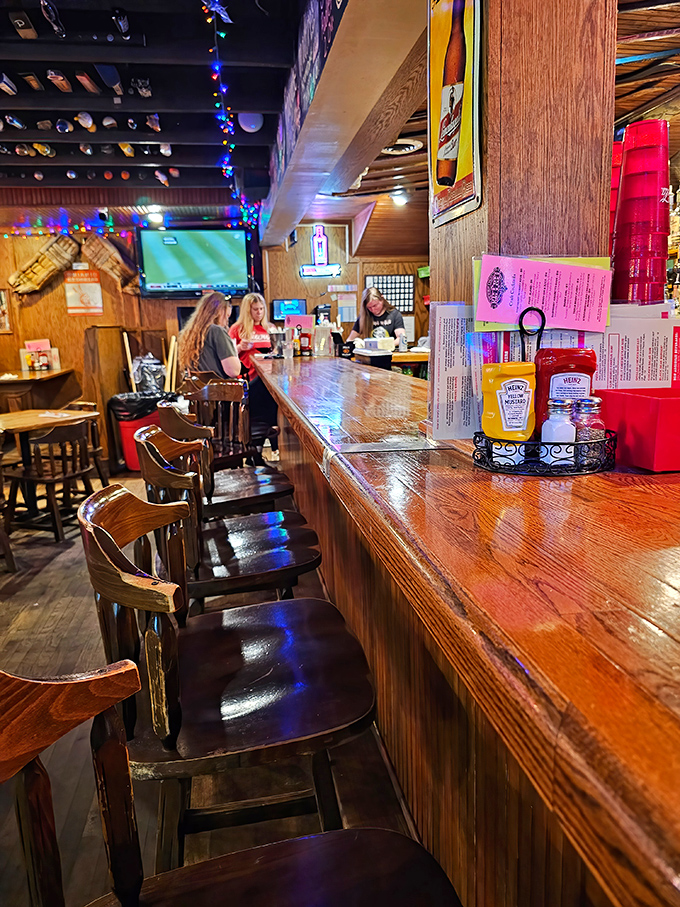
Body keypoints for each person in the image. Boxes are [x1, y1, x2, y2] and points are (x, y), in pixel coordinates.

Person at [229, 292, 280, 459]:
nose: (259, 312)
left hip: (269, 378)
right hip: (248, 380)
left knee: (275, 401)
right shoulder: (237, 329)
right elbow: (228, 356)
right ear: (247, 310)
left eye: (261, 309)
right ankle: (256, 451)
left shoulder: (270, 328)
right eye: (255, 309)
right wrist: (239, 348)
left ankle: (273, 448)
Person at [177, 291, 241, 379]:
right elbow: (234, 371)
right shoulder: (217, 331)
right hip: (220, 390)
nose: (227, 322)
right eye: (226, 316)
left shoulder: (190, 333)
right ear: (220, 312)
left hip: (201, 390)